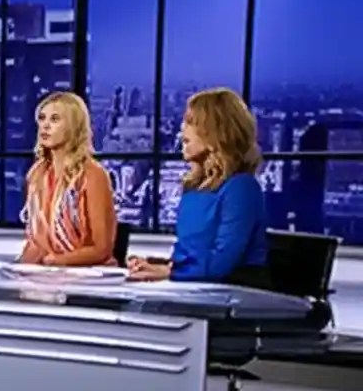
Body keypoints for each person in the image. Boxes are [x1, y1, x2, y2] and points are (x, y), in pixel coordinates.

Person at [128, 87, 269, 287]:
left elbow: (222, 262)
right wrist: (154, 265)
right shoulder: (195, 187)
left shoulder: (241, 188)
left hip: (236, 291)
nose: (182, 129)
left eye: (191, 122)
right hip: (197, 286)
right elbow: (188, 253)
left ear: (217, 133)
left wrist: (168, 273)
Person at [18, 92, 117, 267]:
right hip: (47, 277)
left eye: (55, 119)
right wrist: (16, 270)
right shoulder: (37, 175)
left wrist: (58, 261)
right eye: (42, 119)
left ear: (73, 126)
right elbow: (36, 244)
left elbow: (102, 249)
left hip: (87, 279)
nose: (45, 126)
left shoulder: (93, 175)